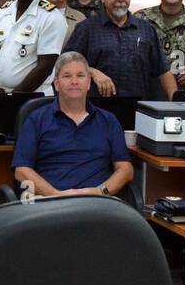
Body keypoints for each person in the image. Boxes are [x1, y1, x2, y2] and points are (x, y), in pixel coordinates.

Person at [12, 52, 133, 197]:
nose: (74, 81)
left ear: (88, 83)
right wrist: (56, 195)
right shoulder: (36, 120)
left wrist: (101, 191)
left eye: (80, 75)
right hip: (48, 202)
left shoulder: (108, 120)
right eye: (67, 76)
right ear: (56, 84)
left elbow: (125, 169)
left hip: (98, 202)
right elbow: (21, 171)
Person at [64, 0, 177, 127]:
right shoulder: (86, 28)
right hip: (95, 111)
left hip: (137, 111)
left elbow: (162, 70)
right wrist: (92, 71)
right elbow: (66, 64)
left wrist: (177, 107)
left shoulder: (145, 29)